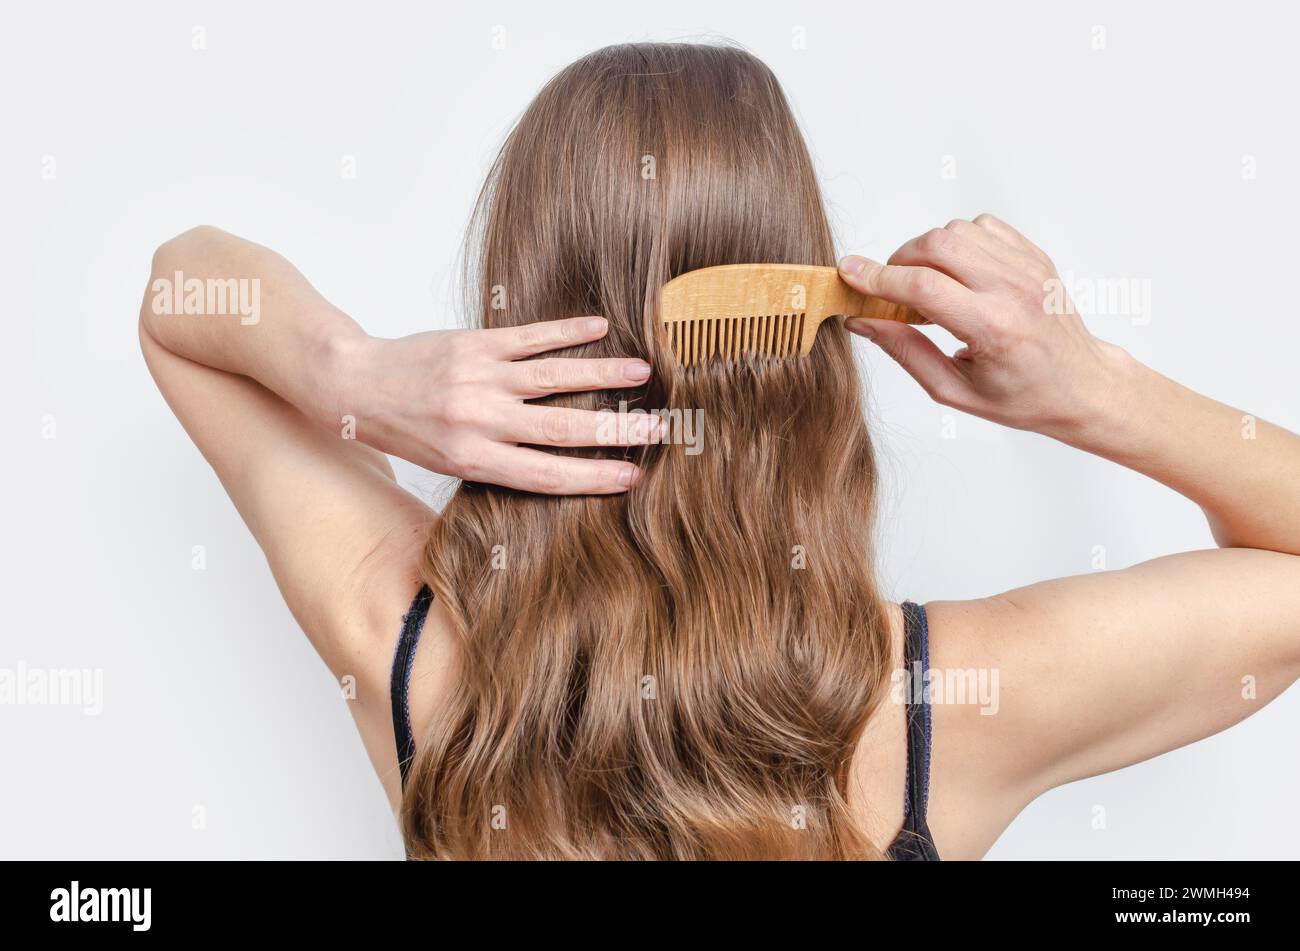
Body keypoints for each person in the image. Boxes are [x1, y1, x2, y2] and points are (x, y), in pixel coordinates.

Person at [139, 42, 1300, 860]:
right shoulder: (951, 714)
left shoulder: (414, 660)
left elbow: (177, 297)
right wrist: (1092, 390)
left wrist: (348, 376)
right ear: (808, 352)